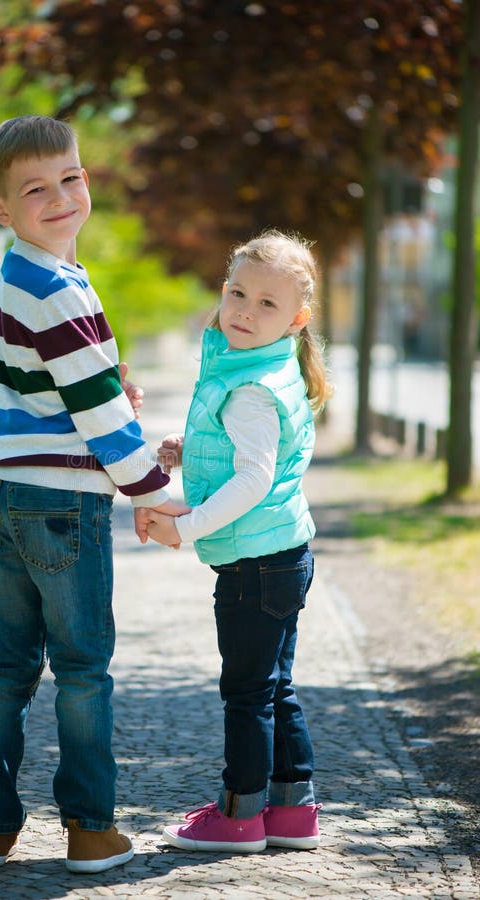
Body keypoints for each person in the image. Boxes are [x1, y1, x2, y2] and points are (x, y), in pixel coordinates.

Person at [0, 114, 187, 874]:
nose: (61, 196)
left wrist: (106, 390)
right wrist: (152, 494)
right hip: (63, 503)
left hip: (7, 494)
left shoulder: (24, 275)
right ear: (1, 208)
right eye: (35, 189)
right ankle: (91, 829)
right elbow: (95, 413)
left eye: (71, 177)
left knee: (7, 664)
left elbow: (50, 386)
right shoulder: (54, 285)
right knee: (83, 667)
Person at [140, 230, 332, 854]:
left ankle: (241, 815)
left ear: (297, 318)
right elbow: (242, 456)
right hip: (281, 554)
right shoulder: (254, 364)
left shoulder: (252, 384)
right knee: (276, 686)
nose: (246, 310)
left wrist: (184, 524)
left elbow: (254, 478)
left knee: (247, 694)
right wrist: (186, 453)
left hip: (256, 563)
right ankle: (292, 811)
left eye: (267, 304)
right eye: (238, 293)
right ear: (222, 292)